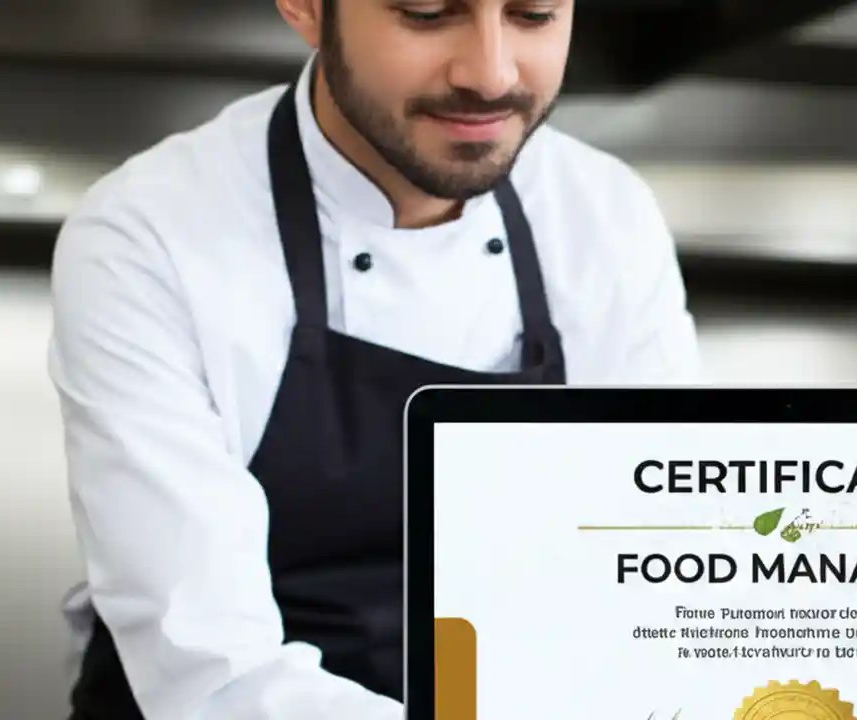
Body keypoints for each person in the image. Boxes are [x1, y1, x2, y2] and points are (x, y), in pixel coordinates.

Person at [47, 0, 700, 717]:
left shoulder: (605, 217)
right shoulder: (150, 238)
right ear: (304, 8)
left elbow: (652, 576)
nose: (489, 72)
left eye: (534, 14)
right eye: (425, 13)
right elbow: (213, 676)